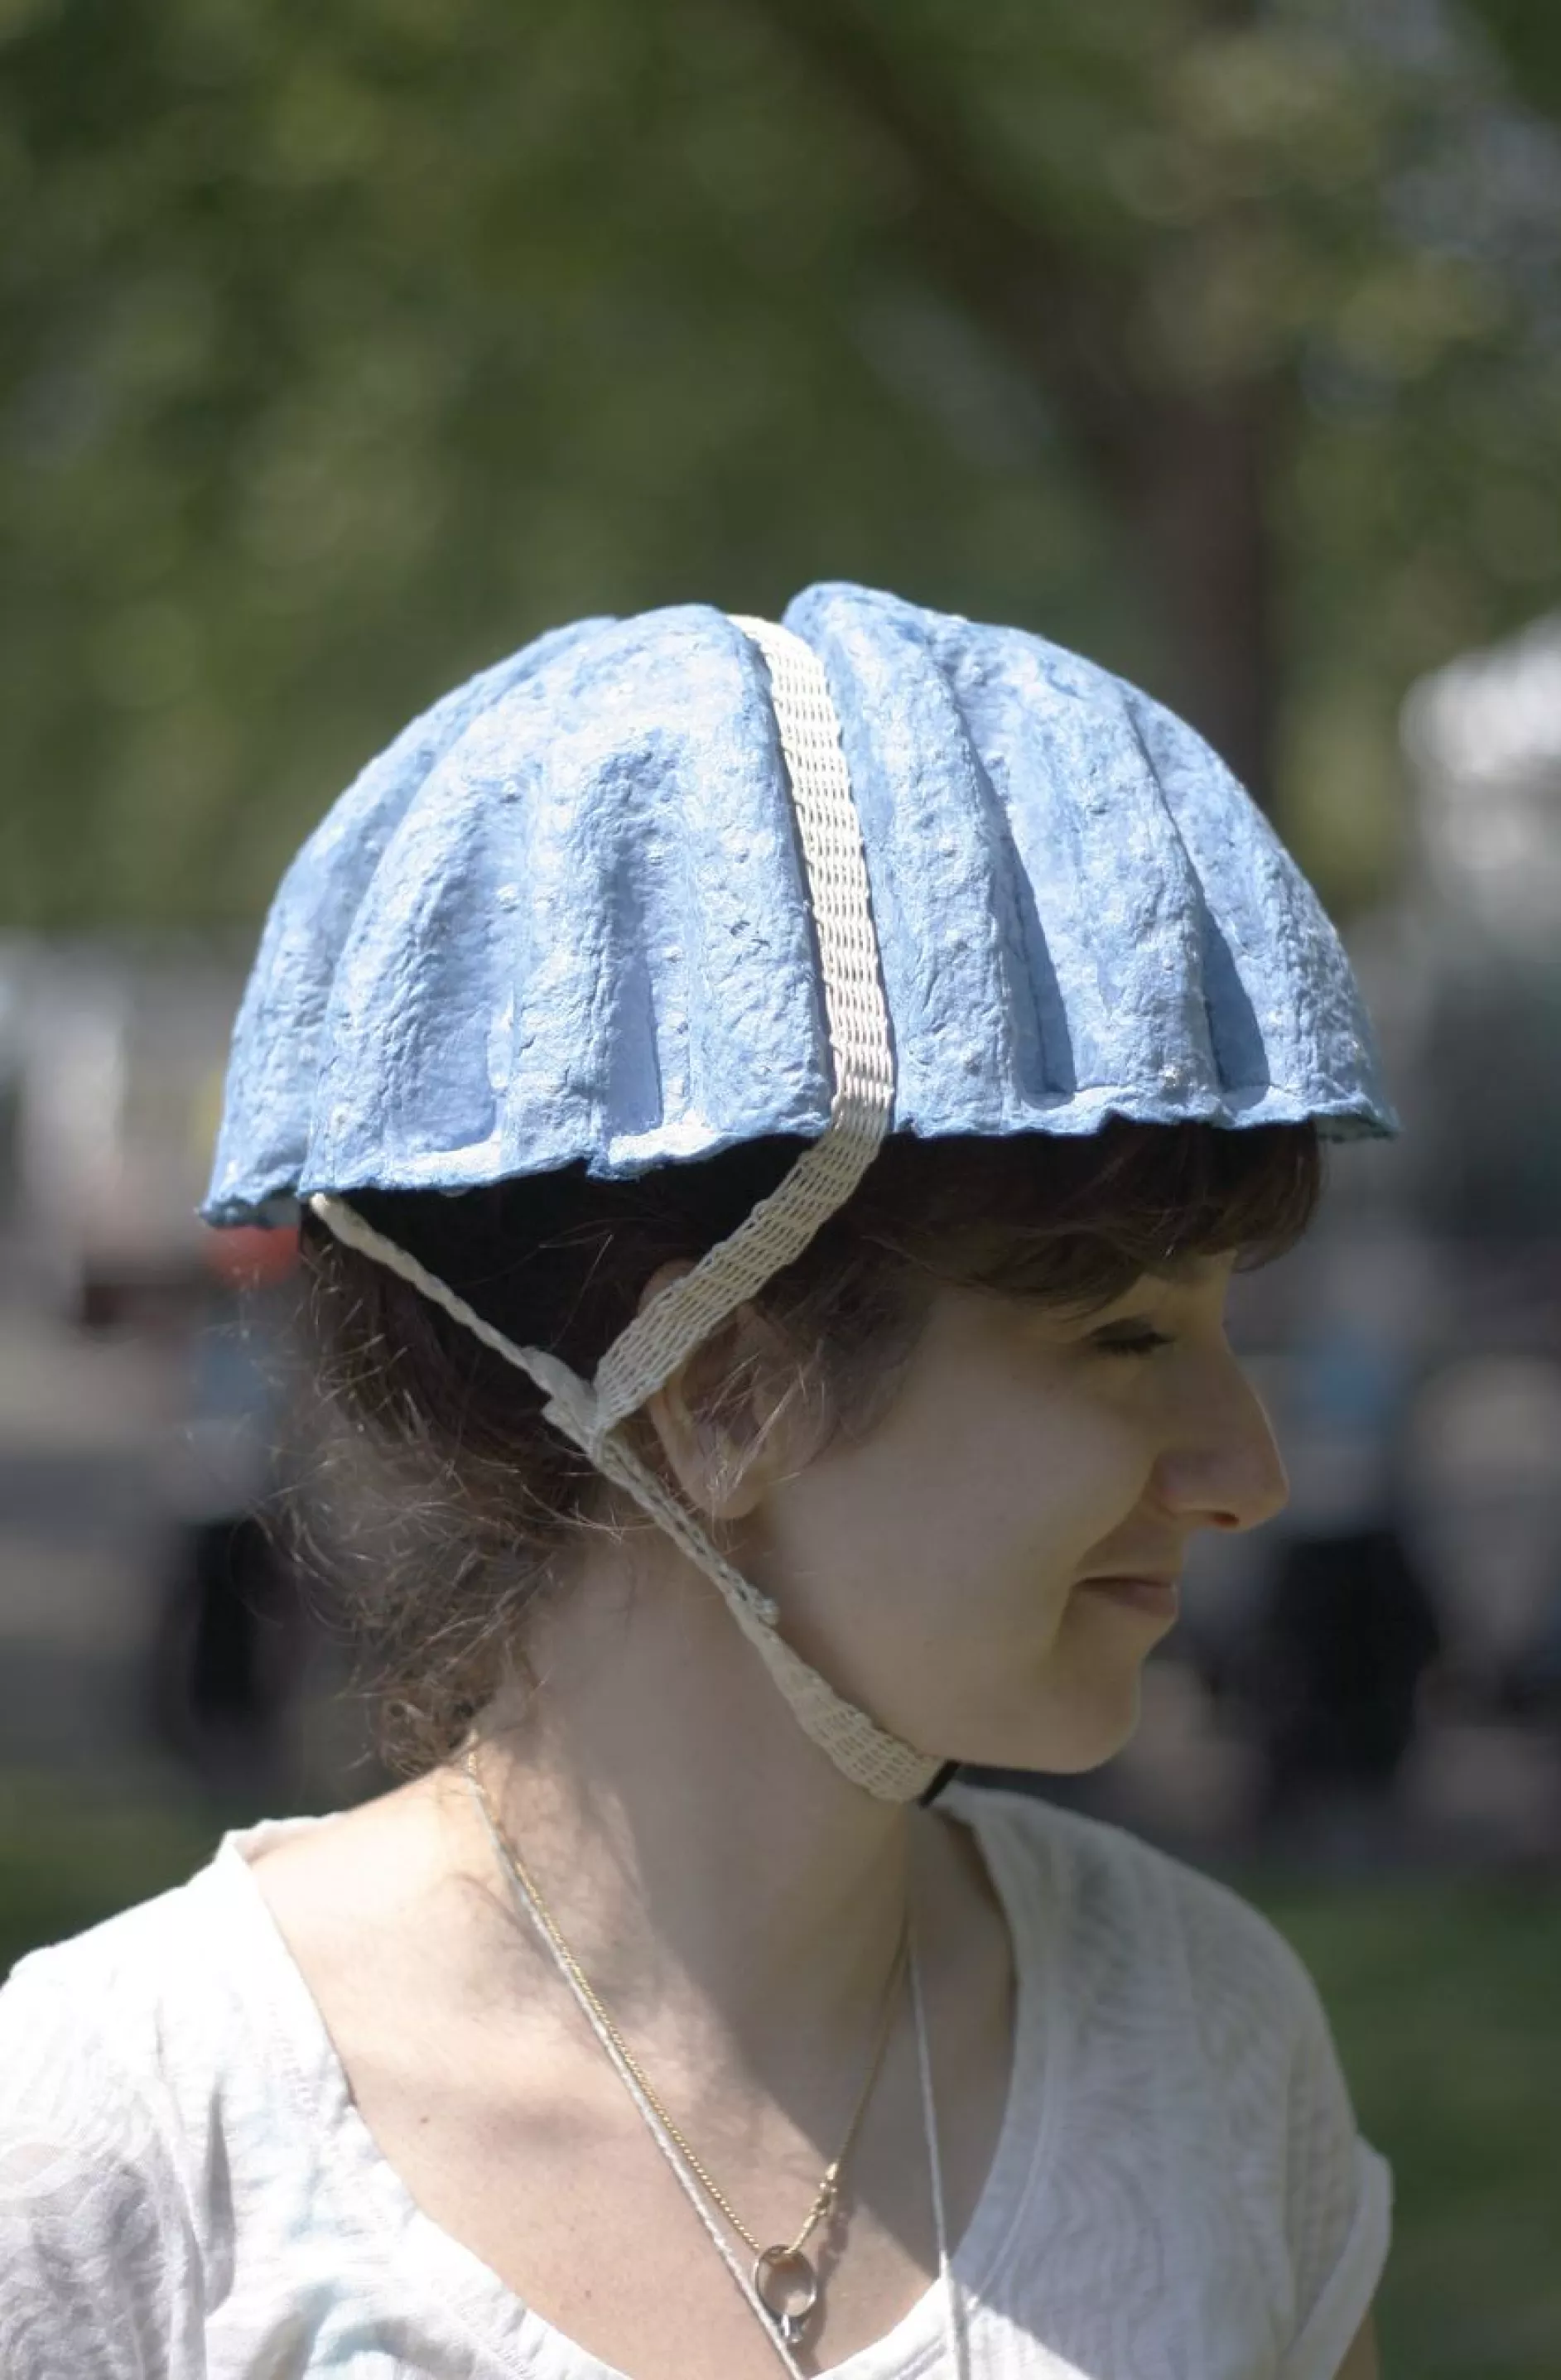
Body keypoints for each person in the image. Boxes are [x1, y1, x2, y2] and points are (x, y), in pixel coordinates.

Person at [0, 588, 1395, 2378]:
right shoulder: (117, 2148)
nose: (1246, 1473)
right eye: (1127, 1339)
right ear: (723, 1390)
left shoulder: (1208, 2049)